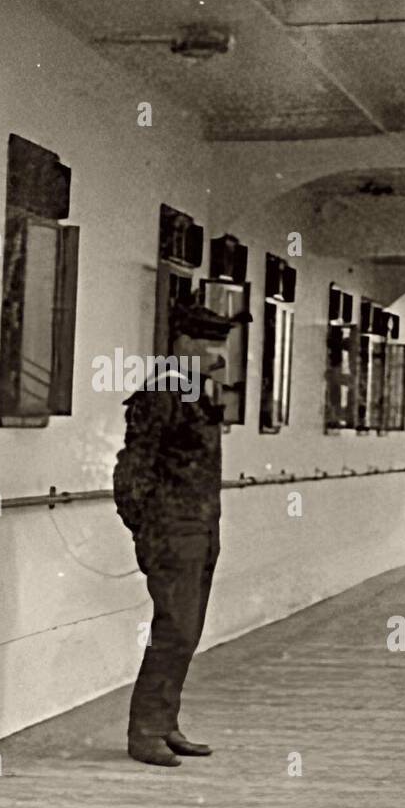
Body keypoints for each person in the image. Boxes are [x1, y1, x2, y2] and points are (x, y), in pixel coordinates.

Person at [112, 302, 244, 767]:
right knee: (174, 629)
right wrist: (148, 528)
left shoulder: (197, 392)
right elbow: (132, 471)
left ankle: (165, 722)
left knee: (187, 632)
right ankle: (145, 730)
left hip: (202, 529)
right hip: (173, 531)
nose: (219, 353)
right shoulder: (160, 394)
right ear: (182, 344)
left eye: (222, 342)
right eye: (209, 342)